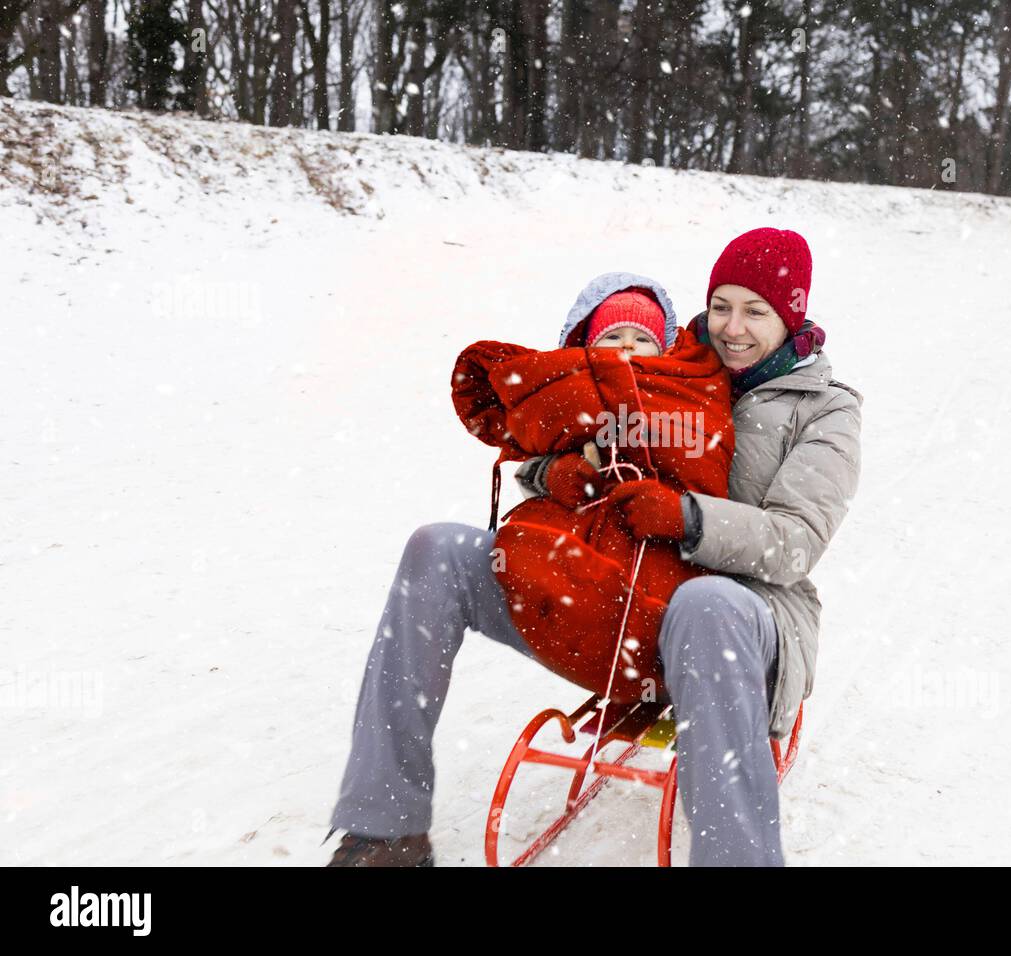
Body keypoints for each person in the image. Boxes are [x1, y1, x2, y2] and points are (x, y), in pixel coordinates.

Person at [325, 229, 862, 866]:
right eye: (722, 306)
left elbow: (794, 543)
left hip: (739, 623)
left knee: (708, 604)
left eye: (757, 312)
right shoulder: (668, 355)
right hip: (614, 600)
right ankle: (385, 830)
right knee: (436, 551)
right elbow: (565, 423)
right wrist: (546, 472)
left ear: (793, 314)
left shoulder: (825, 410)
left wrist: (687, 518)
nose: (734, 329)